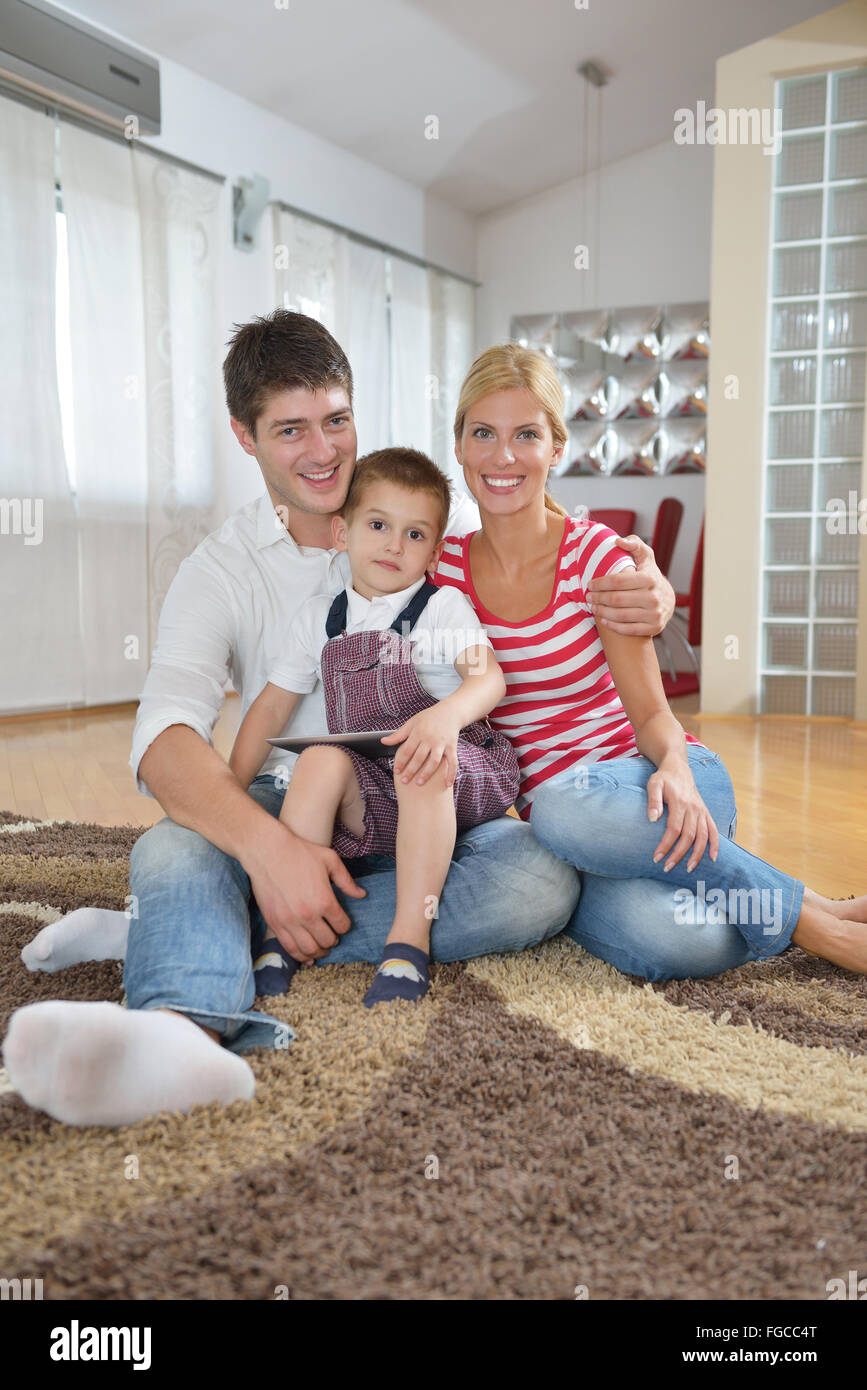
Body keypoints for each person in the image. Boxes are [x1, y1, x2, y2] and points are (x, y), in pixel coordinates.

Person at [3, 310, 676, 1128]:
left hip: (433, 801)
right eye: (290, 429)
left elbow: (539, 532)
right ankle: (179, 1031)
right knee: (177, 841)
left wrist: (645, 583)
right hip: (307, 801)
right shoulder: (217, 571)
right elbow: (166, 738)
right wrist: (270, 846)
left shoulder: (431, 517)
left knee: (539, 879)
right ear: (244, 437)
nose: (322, 450)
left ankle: (195, 926)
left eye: (336, 420)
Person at [425, 343, 867, 979]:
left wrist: (679, 772)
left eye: (526, 434)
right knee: (678, 943)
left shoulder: (596, 557)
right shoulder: (445, 571)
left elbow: (655, 715)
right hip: (567, 843)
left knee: (559, 806)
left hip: (653, 786)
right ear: (460, 446)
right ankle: (802, 904)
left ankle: (812, 925)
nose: (502, 456)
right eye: (483, 434)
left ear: (555, 448)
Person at [229, 447, 519, 1007]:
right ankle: (284, 929)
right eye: (379, 525)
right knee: (318, 760)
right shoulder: (321, 618)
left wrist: (444, 716)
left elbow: (489, 682)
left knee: (420, 761)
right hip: (374, 790)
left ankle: (409, 939)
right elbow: (268, 708)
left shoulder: (441, 606)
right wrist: (229, 794)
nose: (393, 544)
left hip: (451, 770)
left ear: (435, 551)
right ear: (343, 532)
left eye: (415, 535)